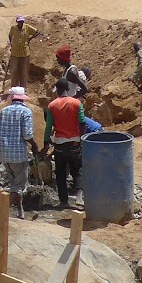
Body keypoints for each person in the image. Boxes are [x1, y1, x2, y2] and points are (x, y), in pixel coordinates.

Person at [0, 87, 37, 216]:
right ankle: (3, 211)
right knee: (19, 186)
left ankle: (20, 212)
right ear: (22, 98)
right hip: (18, 155)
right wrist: (34, 145)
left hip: (5, 154)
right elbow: (27, 134)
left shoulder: (3, 111)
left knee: (15, 185)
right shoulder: (26, 112)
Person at [44, 80, 86, 209]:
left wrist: (46, 143)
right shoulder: (77, 103)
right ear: (68, 88)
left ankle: (63, 201)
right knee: (78, 171)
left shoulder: (52, 105)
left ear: (57, 90)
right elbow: (82, 122)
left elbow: (49, 127)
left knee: (61, 173)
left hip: (60, 144)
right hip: (74, 142)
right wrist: (81, 138)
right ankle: (79, 197)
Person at [8, 16, 39, 89]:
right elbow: (10, 35)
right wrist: (11, 44)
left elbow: (37, 32)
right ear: (17, 22)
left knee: (24, 71)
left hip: (25, 53)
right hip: (15, 53)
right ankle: (13, 88)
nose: (21, 23)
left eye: (22, 22)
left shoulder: (27, 27)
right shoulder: (13, 28)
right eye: (19, 22)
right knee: (14, 71)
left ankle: (23, 88)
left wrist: (30, 38)